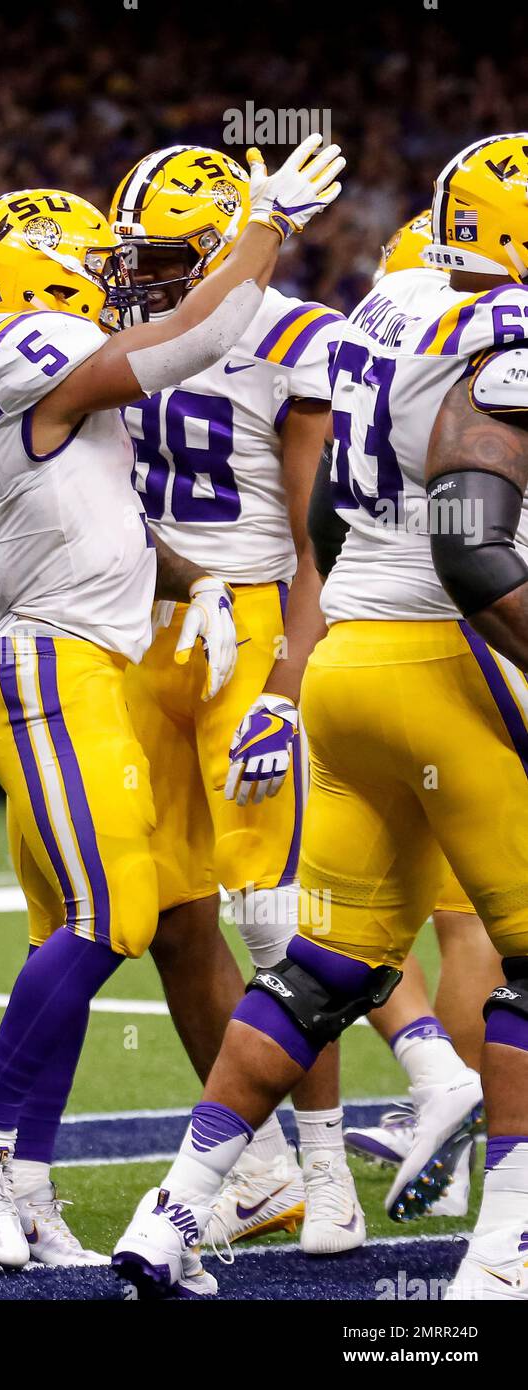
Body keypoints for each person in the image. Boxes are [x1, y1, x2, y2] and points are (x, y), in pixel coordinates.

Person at [111, 133, 528, 1301]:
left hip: (345, 662)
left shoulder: (388, 300)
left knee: (321, 963)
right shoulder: (504, 330)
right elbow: (473, 542)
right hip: (451, 656)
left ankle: (174, 1209)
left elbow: (341, 518)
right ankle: (506, 1247)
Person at [0, 134, 344, 1274]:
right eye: (94, 260)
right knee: (111, 917)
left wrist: (201, 578)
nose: (114, 275)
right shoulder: (27, 344)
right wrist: (269, 223)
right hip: (44, 669)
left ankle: (30, 1176)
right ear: (45, 276)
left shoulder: (37, 372)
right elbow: (197, 336)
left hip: (82, 665)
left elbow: (112, 528)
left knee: (100, 925)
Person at [109, 144, 361, 1252]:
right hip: (142, 627)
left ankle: (330, 1166)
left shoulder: (295, 335)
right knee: (170, 916)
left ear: (222, 247)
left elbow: (320, 540)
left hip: (249, 621)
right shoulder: (123, 337)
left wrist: (292, 677)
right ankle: (255, 1169)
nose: (141, 282)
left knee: (274, 919)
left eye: (166, 261)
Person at [337, 214, 503, 1218]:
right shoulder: (482, 335)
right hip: (472, 628)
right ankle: (490, 1163)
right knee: (490, 918)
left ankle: (448, 1103)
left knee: (346, 915)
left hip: (372, 639)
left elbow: (324, 510)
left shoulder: (379, 313)